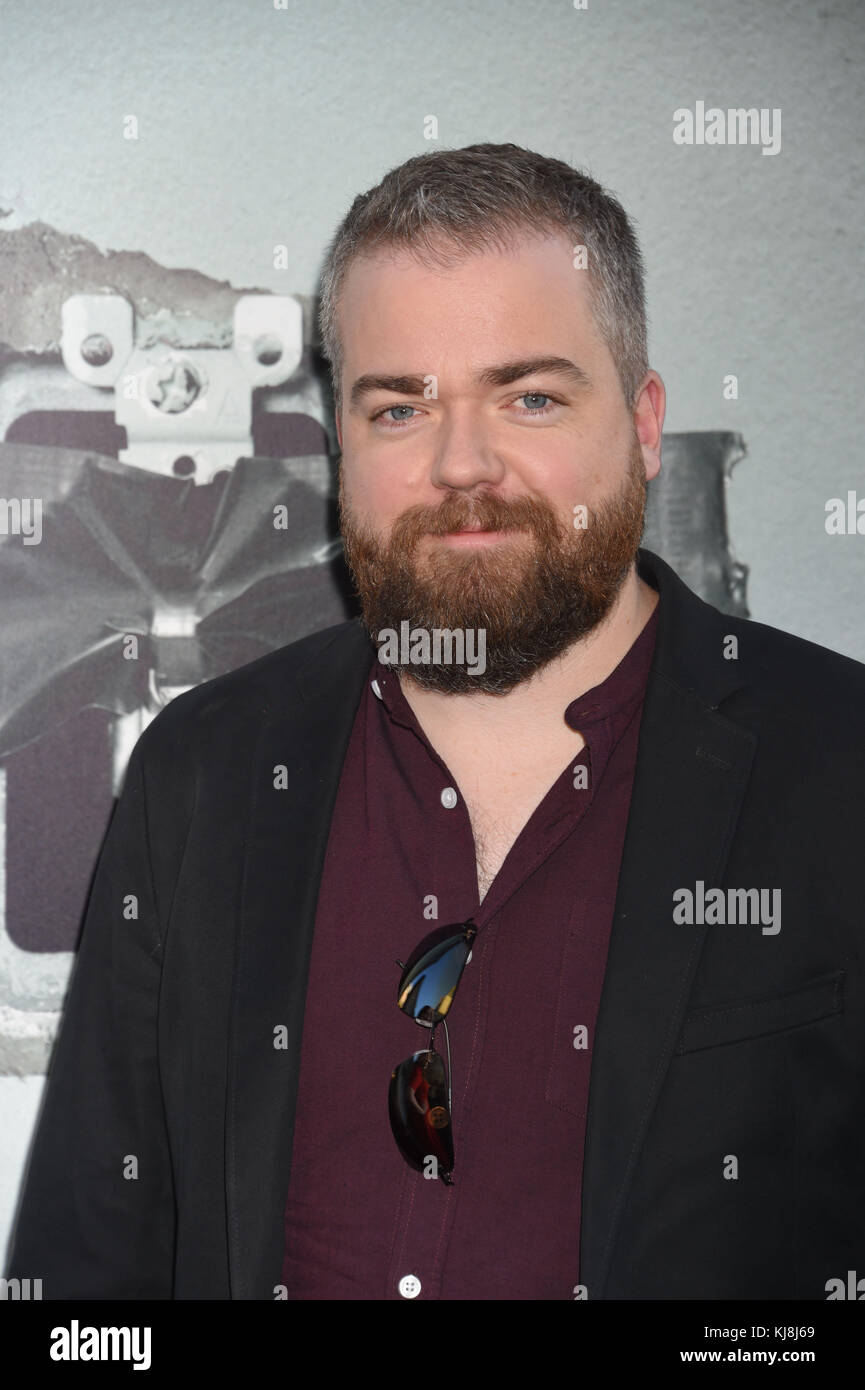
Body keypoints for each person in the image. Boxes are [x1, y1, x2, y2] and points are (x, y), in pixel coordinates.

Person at [7, 143, 865, 1301]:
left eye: (530, 396)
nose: (464, 464)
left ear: (646, 423)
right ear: (341, 446)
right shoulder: (204, 771)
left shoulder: (837, 765)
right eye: (402, 405)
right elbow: (86, 1278)